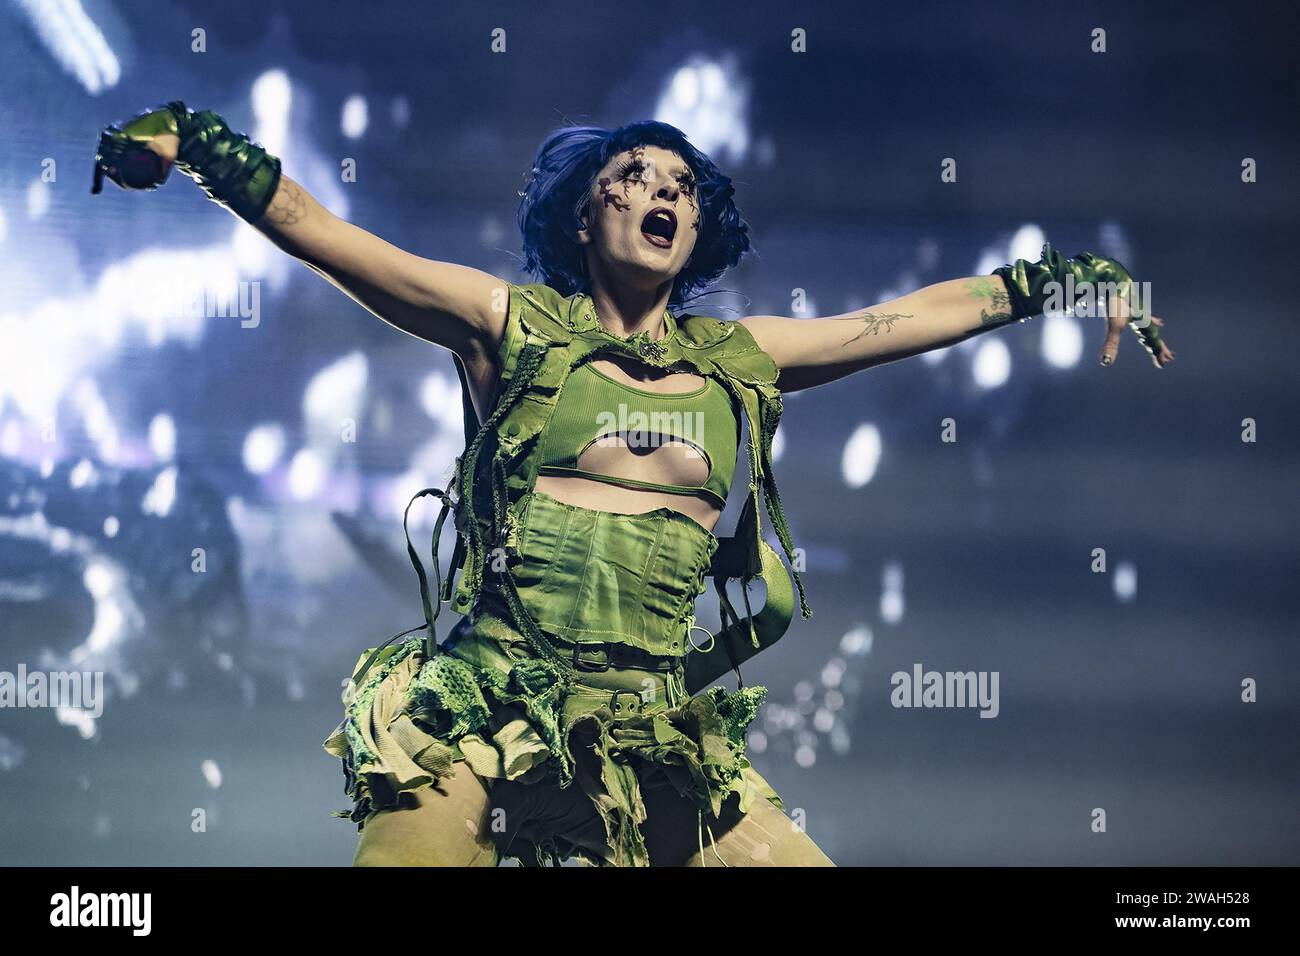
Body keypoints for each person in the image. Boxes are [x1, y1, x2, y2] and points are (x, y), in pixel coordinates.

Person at [92, 102, 1174, 867]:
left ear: (695, 229)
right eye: (633, 178)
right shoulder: (506, 322)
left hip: (652, 729)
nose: (661, 192)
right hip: (486, 704)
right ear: (583, 215)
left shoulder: (738, 354)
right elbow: (329, 237)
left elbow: (901, 320)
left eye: (681, 187)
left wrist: (1060, 283)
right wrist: (197, 141)